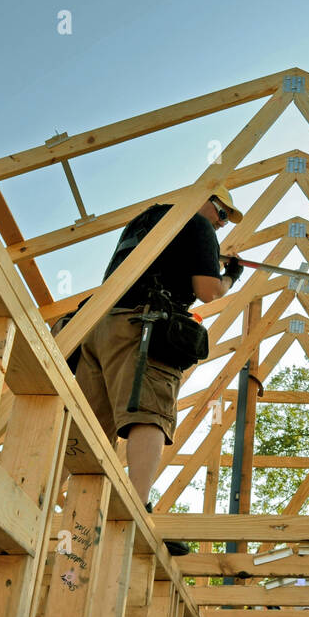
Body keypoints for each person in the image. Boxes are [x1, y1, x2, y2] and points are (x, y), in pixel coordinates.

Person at [67, 188, 248, 552]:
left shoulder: (146, 220)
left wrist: (205, 254)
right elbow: (208, 291)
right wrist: (230, 275)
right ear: (203, 199)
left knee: (89, 428)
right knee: (149, 412)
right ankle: (135, 507)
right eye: (221, 212)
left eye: (225, 218)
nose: (220, 221)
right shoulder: (197, 224)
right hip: (141, 327)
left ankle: (72, 511)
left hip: (97, 327)